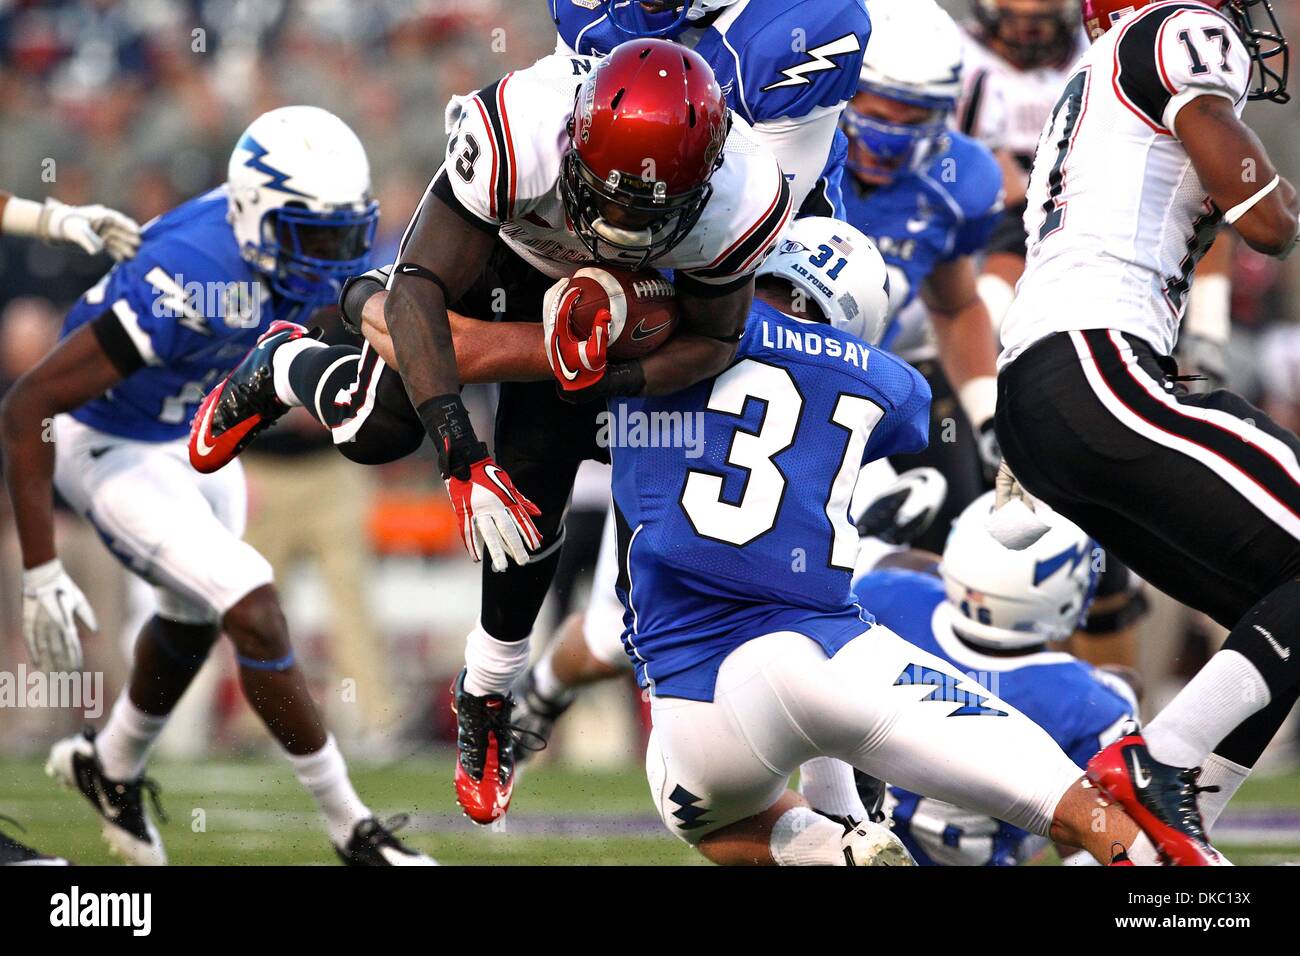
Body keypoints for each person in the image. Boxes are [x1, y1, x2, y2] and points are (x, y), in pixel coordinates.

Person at [191, 41, 795, 825]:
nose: (616, 225)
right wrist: (457, 451)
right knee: (378, 429)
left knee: (534, 493)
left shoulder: (742, 197)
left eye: (642, 211)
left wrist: (606, 381)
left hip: (614, 317)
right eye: (605, 198)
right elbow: (420, 286)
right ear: (575, 144)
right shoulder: (522, 133)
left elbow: (713, 341)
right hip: (499, 258)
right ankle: (289, 363)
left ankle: (486, 693)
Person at [598, 217, 1181, 867]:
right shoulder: (893, 383)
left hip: (695, 708)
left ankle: (837, 850)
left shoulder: (661, 326)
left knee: (711, 822)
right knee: (1081, 807)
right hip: (829, 657)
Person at [0, 107, 433, 866]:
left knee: (196, 611)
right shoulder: (190, 274)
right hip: (110, 440)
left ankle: (111, 764)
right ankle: (351, 829)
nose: (333, 256)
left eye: (344, 233)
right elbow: (28, 404)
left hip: (188, 427)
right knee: (254, 605)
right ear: (261, 219)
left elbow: (351, 297)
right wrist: (40, 571)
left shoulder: (276, 245)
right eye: (315, 236)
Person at [993, 0, 1298, 865]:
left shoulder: (1095, 74)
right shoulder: (1173, 27)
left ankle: (1157, 848)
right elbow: (1268, 223)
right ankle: (1155, 765)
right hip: (1098, 362)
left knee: (1274, 612)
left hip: (1054, 390)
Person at [958, 0, 1151, 669]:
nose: (1032, 23)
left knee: (1098, 560)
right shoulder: (953, 67)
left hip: (1085, 313)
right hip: (966, 339)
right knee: (979, 556)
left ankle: (1114, 728)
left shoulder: (1107, 63)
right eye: (1017, 10)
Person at [855, 492, 1139, 865]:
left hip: (853, 837)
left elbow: (899, 564)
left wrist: (870, 538)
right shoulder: (1089, 702)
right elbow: (1087, 847)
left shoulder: (887, 598)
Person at [0, 188, 141, 870]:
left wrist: (53, 219)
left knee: (103, 640)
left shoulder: (73, 381)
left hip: (81, 523)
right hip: (39, 526)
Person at [835, 0, 1007, 551]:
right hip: (747, 386)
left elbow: (955, 306)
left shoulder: (959, 179)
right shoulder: (785, 157)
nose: (892, 142)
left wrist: (987, 418)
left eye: (915, 121)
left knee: (952, 544)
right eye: (881, 118)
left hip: (879, 383)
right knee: (607, 631)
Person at [547, 0, 872, 216]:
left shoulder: (800, 23)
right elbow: (556, 119)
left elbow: (762, 215)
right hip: (601, 189)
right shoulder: (590, 10)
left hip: (746, 208)